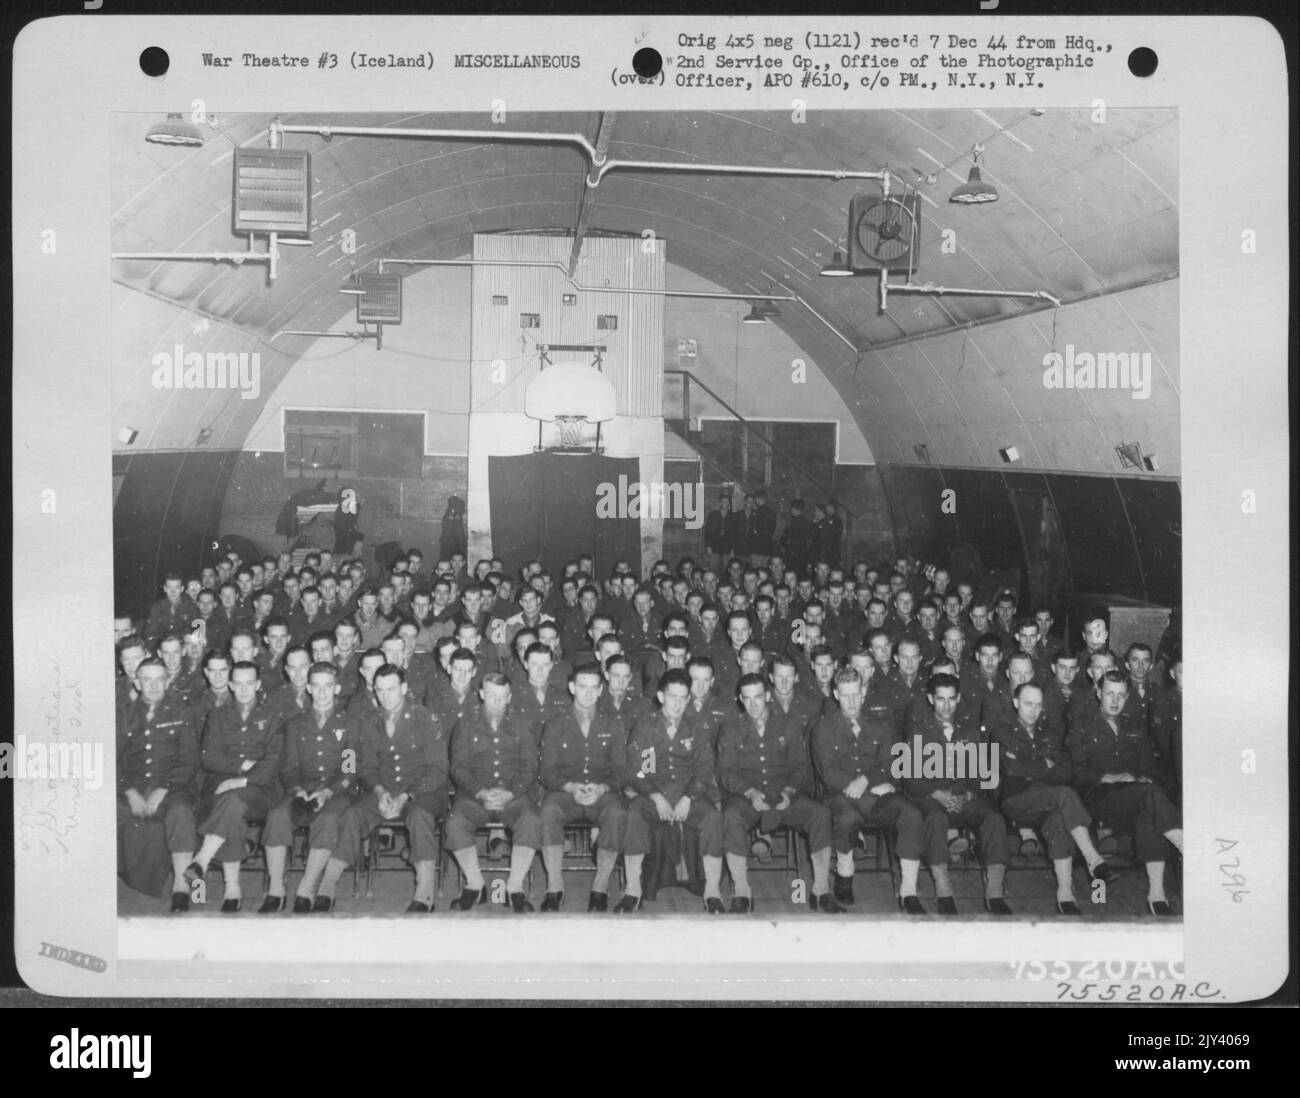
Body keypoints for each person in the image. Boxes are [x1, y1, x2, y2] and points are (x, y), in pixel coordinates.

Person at [316, 664, 451, 913]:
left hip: (424, 793)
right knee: (353, 815)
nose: (385, 696)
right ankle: (327, 886)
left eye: (391, 689)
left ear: (404, 688)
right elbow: (366, 767)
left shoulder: (425, 718)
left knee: (420, 816)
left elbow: (437, 769)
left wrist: (406, 796)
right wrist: (379, 792)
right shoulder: (371, 722)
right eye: (380, 690)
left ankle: (425, 894)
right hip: (385, 792)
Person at [717, 674, 844, 913]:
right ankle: (742, 891)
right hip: (748, 798)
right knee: (731, 816)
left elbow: (801, 767)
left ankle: (821, 890)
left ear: (767, 695)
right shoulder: (732, 729)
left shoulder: (788, 724)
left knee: (819, 813)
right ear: (740, 700)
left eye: (758, 697)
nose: (753, 704)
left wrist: (789, 791)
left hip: (785, 795)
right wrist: (750, 792)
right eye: (747, 699)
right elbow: (725, 772)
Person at [992, 682, 1117, 915]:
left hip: (1049, 800)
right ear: (1016, 703)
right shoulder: (1001, 733)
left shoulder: (1050, 734)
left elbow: (1064, 771)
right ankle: (1093, 859)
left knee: (1059, 820)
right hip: (1016, 801)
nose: (1034, 710)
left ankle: (1065, 893)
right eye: (1028, 704)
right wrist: (1043, 764)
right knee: (1064, 794)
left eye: (1039, 705)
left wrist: (1030, 767)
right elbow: (1009, 768)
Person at [811, 668, 930, 912]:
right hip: (841, 795)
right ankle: (844, 873)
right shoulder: (823, 728)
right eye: (845, 696)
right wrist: (869, 785)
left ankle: (908, 891)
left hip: (877, 794)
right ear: (835, 694)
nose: (852, 701)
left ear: (864, 692)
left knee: (911, 814)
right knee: (847, 816)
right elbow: (829, 773)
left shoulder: (881, 724)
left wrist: (867, 779)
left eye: (856, 694)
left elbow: (890, 762)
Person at [1067, 670, 1183, 915]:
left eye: (1121, 695)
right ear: (1098, 693)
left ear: (1128, 697)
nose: (1115, 700)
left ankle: (1156, 893)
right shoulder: (1081, 727)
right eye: (1109, 693)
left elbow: (1151, 768)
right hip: (1098, 799)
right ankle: (1186, 846)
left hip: (1133, 798)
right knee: (1150, 797)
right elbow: (1074, 773)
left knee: (1149, 812)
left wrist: (1145, 777)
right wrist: (1106, 777)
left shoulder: (1136, 729)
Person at [903, 673, 1011, 915]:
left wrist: (969, 795)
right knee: (934, 819)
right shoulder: (917, 731)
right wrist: (937, 794)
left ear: (959, 698)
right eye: (941, 699)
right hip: (931, 798)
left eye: (952, 699)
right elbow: (909, 778)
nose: (947, 705)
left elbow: (983, 773)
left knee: (994, 818)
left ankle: (995, 891)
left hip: (964, 797)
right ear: (931, 699)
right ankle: (944, 889)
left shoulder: (970, 731)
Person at [184, 661, 286, 913]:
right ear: (230, 685)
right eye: (238, 684)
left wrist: (243, 779)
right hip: (222, 786)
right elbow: (209, 757)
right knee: (231, 808)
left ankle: (202, 861)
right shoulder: (218, 715)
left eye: (249, 683)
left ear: (258, 685)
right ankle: (232, 890)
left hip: (261, 790)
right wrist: (243, 764)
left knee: (232, 799)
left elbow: (274, 761)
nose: (243, 689)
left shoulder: (272, 715)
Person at [261, 663, 363, 913]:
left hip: (337, 790)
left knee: (328, 818)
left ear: (337, 688)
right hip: (302, 788)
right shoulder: (295, 724)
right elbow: (289, 767)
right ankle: (276, 889)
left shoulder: (350, 724)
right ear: (308, 688)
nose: (322, 692)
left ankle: (306, 888)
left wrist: (328, 792)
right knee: (276, 816)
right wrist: (297, 790)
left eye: (328, 686)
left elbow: (349, 769)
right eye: (316, 686)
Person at [623, 670, 726, 912]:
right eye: (672, 696)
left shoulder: (696, 728)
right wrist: (656, 797)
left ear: (689, 699)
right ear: (660, 696)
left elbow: (703, 769)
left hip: (688, 795)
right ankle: (632, 888)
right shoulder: (647, 727)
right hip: (653, 795)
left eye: (683, 697)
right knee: (634, 814)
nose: (678, 703)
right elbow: (641, 770)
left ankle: (712, 891)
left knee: (712, 817)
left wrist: (688, 798)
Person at [445, 673, 542, 913]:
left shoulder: (522, 724)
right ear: (481, 694)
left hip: (513, 797)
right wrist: (479, 792)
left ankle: (514, 889)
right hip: (475, 796)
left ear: (509, 696)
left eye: (502, 696)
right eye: (490, 695)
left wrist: (511, 792)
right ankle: (475, 885)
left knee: (531, 819)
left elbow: (530, 765)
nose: (496, 701)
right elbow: (458, 767)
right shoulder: (465, 724)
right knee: (455, 821)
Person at [537, 666, 630, 912]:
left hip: (602, 793)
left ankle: (600, 887)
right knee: (548, 811)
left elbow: (622, 770)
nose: (588, 693)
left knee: (618, 813)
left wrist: (601, 788)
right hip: (566, 792)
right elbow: (547, 771)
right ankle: (554, 887)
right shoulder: (556, 724)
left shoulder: (613, 723)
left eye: (593, 688)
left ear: (601, 690)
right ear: (571, 688)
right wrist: (570, 787)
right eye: (582, 686)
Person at [117, 658, 201, 912]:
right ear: (136, 682)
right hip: (132, 785)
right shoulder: (123, 714)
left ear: (168, 681)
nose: (153, 685)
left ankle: (181, 885)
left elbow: (189, 760)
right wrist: (129, 791)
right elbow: (111, 758)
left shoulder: (183, 713)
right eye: (146, 679)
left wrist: (163, 789)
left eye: (159, 680)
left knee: (181, 813)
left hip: (173, 786)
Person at [439, 495, 468, 567]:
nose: (453, 508)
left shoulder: (457, 516)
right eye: (451, 505)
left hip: (457, 546)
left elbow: (459, 534)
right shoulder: (449, 516)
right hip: (449, 545)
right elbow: (447, 532)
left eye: (454, 505)